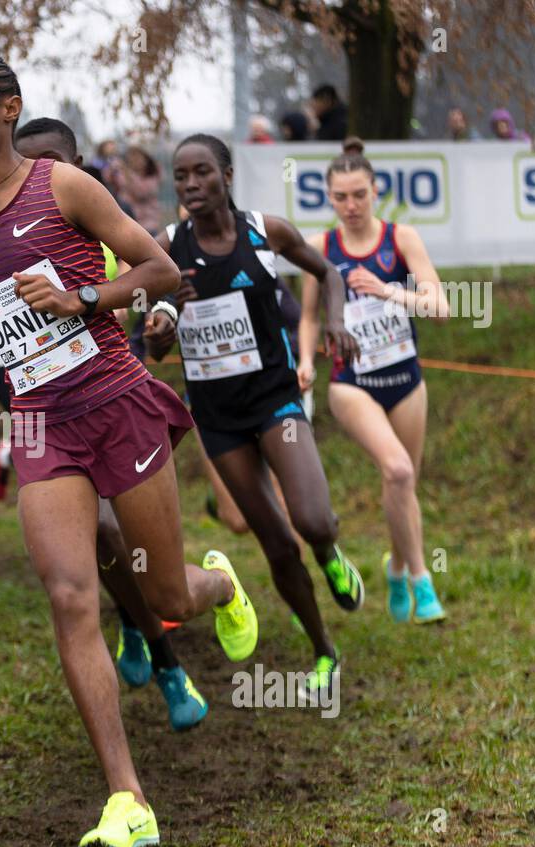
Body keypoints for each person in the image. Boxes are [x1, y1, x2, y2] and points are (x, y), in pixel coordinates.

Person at [0, 53, 257, 847]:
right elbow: (2, 298)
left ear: (8, 110)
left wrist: (84, 298)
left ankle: (220, 584)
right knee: (72, 596)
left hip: (115, 405)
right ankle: (127, 797)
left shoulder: (64, 187)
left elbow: (160, 271)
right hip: (41, 422)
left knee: (168, 592)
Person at [0, 116, 210, 733]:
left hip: (115, 392)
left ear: (75, 168)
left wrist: (142, 311)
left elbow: (156, 279)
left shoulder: (87, 205)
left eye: (50, 169)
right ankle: (150, 651)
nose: (31, 185)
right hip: (41, 405)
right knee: (89, 559)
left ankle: (164, 617)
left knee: (161, 583)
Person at [146, 133, 365, 705]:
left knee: (313, 522)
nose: (191, 186)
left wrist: (336, 324)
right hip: (218, 419)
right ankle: (323, 651)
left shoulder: (266, 232)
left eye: (202, 174)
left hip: (275, 401)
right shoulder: (164, 246)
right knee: (275, 543)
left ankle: (331, 555)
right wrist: (165, 327)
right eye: (181, 177)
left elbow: (329, 272)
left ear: (226, 176)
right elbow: (153, 348)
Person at [299, 138, 448, 625]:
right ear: (329, 198)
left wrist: (388, 291)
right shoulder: (321, 248)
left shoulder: (401, 239)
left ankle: (397, 565)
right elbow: (307, 315)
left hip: (405, 378)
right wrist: (305, 362)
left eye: (359, 194)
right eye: (340, 197)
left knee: (404, 481)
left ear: (375, 190)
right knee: (399, 471)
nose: (351, 206)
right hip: (351, 382)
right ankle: (423, 580)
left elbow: (440, 306)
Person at [116, 145, 163, 233]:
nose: (135, 161)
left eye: (137, 158)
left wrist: (128, 175)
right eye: (131, 159)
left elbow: (141, 193)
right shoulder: (125, 174)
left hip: (148, 222)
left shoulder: (151, 175)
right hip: (128, 221)